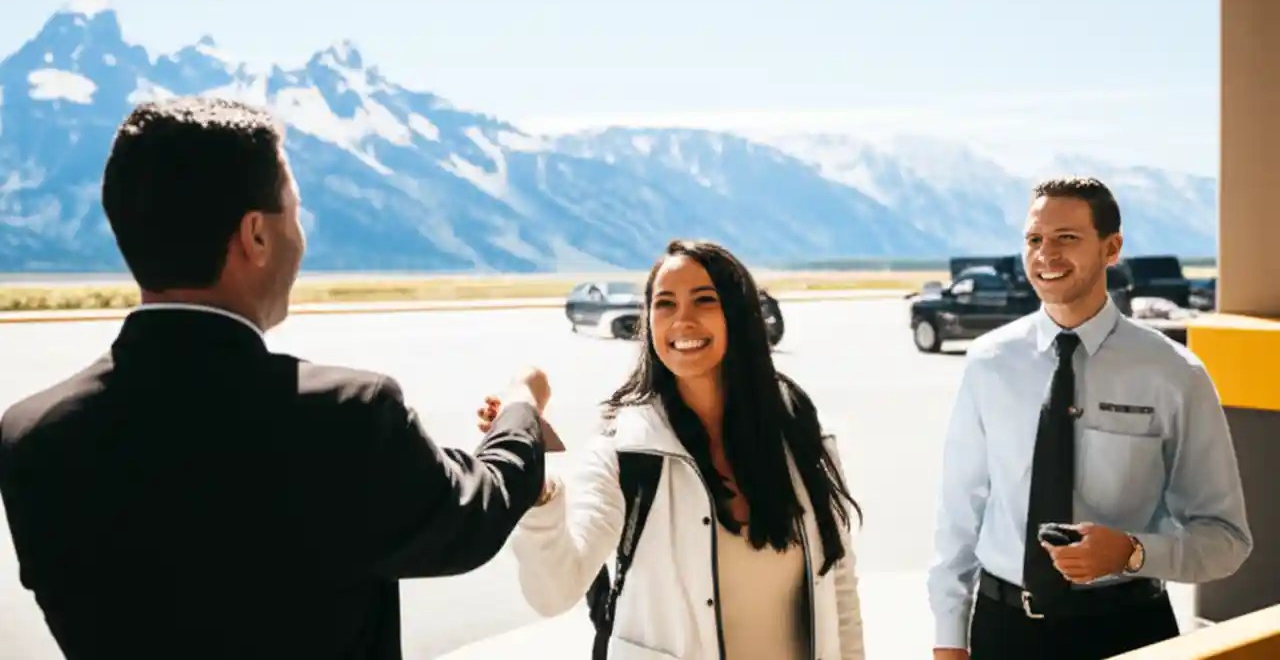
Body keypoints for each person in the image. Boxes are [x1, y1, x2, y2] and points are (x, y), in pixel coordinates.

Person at [0, 97, 550, 660]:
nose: (302, 239)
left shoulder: (31, 436)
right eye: (296, 211)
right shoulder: (346, 417)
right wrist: (520, 404)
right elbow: (475, 512)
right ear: (256, 235)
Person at [480, 239, 865, 659]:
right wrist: (537, 490)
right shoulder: (625, 450)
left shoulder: (804, 436)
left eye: (703, 300)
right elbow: (553, 592)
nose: (683, 320)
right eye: (665, 304)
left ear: (738, 315)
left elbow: (839, 587)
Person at [927, 177, 1252, 660]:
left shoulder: (1174, 374)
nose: (1046, 255)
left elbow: (1226, 539)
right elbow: (959, 513)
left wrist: (1133, 552)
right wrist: (949, 637)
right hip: (1004, 632)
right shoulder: (988, 362)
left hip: (1127, 631)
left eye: (1067, 238)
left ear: (1112, 247)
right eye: (1034, 239)